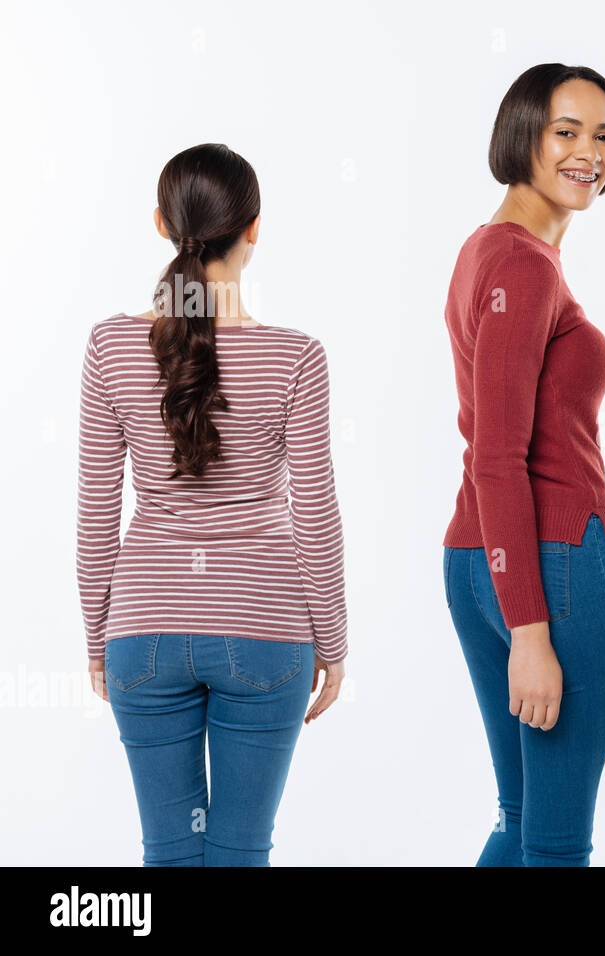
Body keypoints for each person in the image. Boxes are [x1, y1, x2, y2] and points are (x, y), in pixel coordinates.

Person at [77, 143, 348, 866]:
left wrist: (98, 635)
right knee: (239, 852)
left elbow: (97, 511)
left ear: (162, 223)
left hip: (144, 632)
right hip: (267, 630)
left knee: (170, 854)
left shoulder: (109, 345)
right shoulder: (297, 356)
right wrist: (335, 641)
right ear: (253, 229)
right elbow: (317, 514)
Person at [441, 63, 605, 866]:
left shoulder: (491, 249)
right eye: (567, 132)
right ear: (523, 136)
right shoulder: (521, 265)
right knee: (554, 842)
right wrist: (529, 628)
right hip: (548, 568)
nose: (591, 152)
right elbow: (497, 454)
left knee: (523, 822)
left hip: (478, 558)